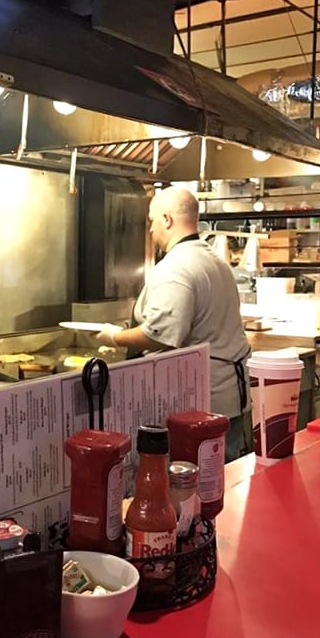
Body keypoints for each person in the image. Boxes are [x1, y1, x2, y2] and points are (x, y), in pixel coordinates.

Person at [96, 185, 251, 462]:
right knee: (225, 480)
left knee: (197, 485)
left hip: (200, 403)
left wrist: (114, 337)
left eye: (152, 221)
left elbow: (161, 335)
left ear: (167, 219)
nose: (151, 230)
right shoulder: (214, 260)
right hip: (229, 397)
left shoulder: (176, 266)